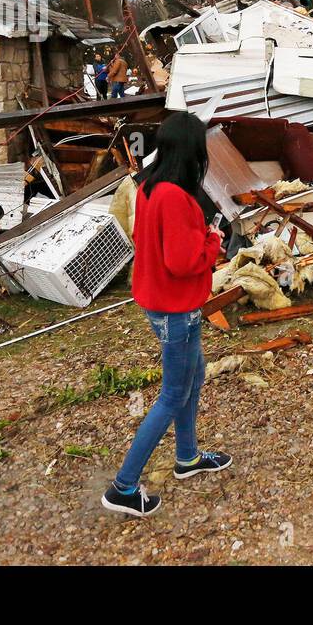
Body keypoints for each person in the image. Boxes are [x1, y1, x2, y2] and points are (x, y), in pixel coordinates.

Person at [102, 111, 228, 518]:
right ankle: (123, 487)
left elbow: (155, 244)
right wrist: (212, 242)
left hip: (161, 303)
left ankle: (188, 458)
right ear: (191, 150)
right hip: (176, 310)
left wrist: (201, 238)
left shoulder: (150, 187)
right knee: (173, 395)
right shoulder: (175, 196)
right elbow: (181, 261)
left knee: (196, 374)